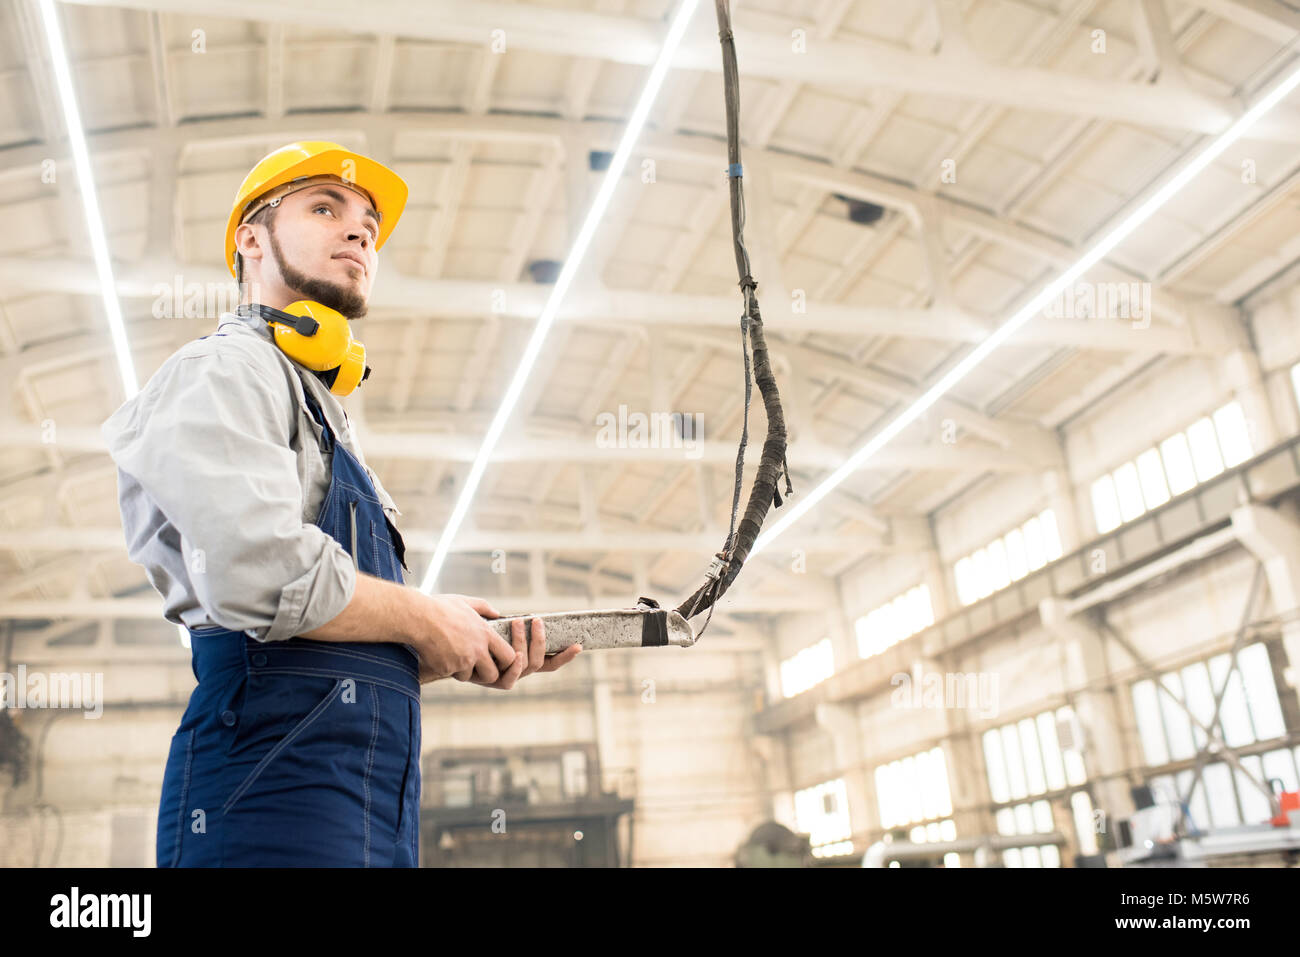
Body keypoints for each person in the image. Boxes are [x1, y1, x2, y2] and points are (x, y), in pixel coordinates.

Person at [100, 141, 581, 867]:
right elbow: (258, 572)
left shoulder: (324, 416)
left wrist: (450, 644)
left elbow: (320, 636)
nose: (359, 230)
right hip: (268, 792)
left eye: (368, 222)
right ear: (250, 240)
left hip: (372, 800)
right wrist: (423, 615)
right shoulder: (221, 371)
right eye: (325, 207)